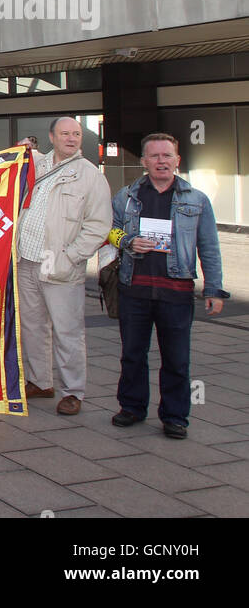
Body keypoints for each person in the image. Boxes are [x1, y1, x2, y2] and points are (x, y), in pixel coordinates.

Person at [108, 133, 228, 440]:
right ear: (144, 161)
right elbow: (110, 232)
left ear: (177, 160)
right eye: (154, 156)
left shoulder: (196, 199)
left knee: (177, 358)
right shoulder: (127, 196)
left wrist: (214, 289)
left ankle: (175, 416)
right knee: (132, 354)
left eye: (167, 156)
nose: (161, 161)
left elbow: (209, 247)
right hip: (134, 289)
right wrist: (130, 241)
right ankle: (132, 407)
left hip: (176, 292)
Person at [16, 116, 111, 416]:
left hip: (60, 265)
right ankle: (40, 381)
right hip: (26, 260)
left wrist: (71, 256)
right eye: (65, 134)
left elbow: (99, 226)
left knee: (67, 331)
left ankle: (72, 391)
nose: (71, 138)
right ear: (52, 137)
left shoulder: (90, 176)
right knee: (32, 327)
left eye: (76, 134)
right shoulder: (38, 166)